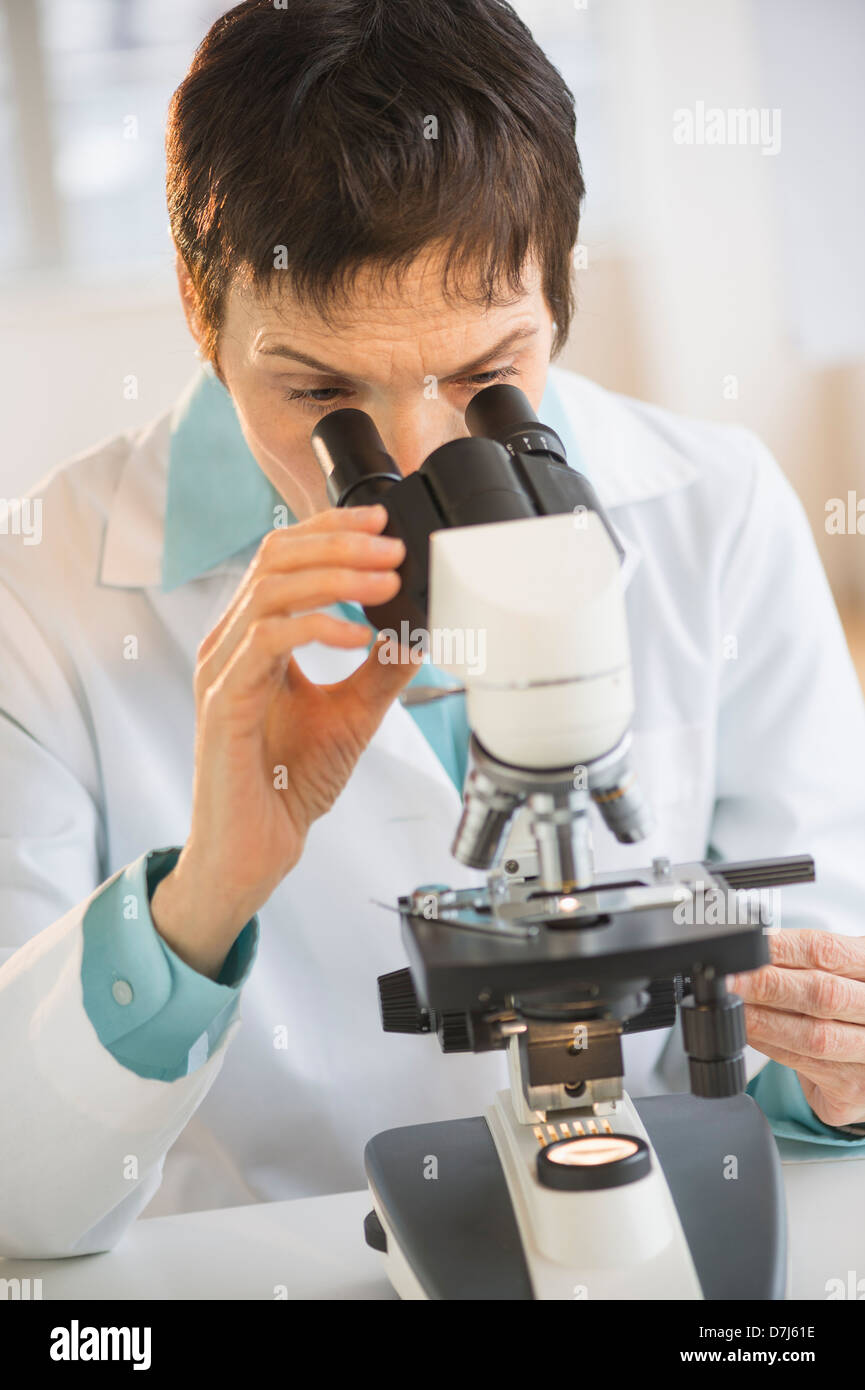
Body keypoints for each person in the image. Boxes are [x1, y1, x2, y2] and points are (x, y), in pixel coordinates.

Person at [2, 0, 865, 1262]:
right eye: (322, 395)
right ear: (201, 309)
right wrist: (209, 890)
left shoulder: (714, 507)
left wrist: (834, 1060)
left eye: (484, 379)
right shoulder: (41, 600)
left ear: (555, 297)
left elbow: (822, 990)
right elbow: (20, 1196)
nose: (415, 465)